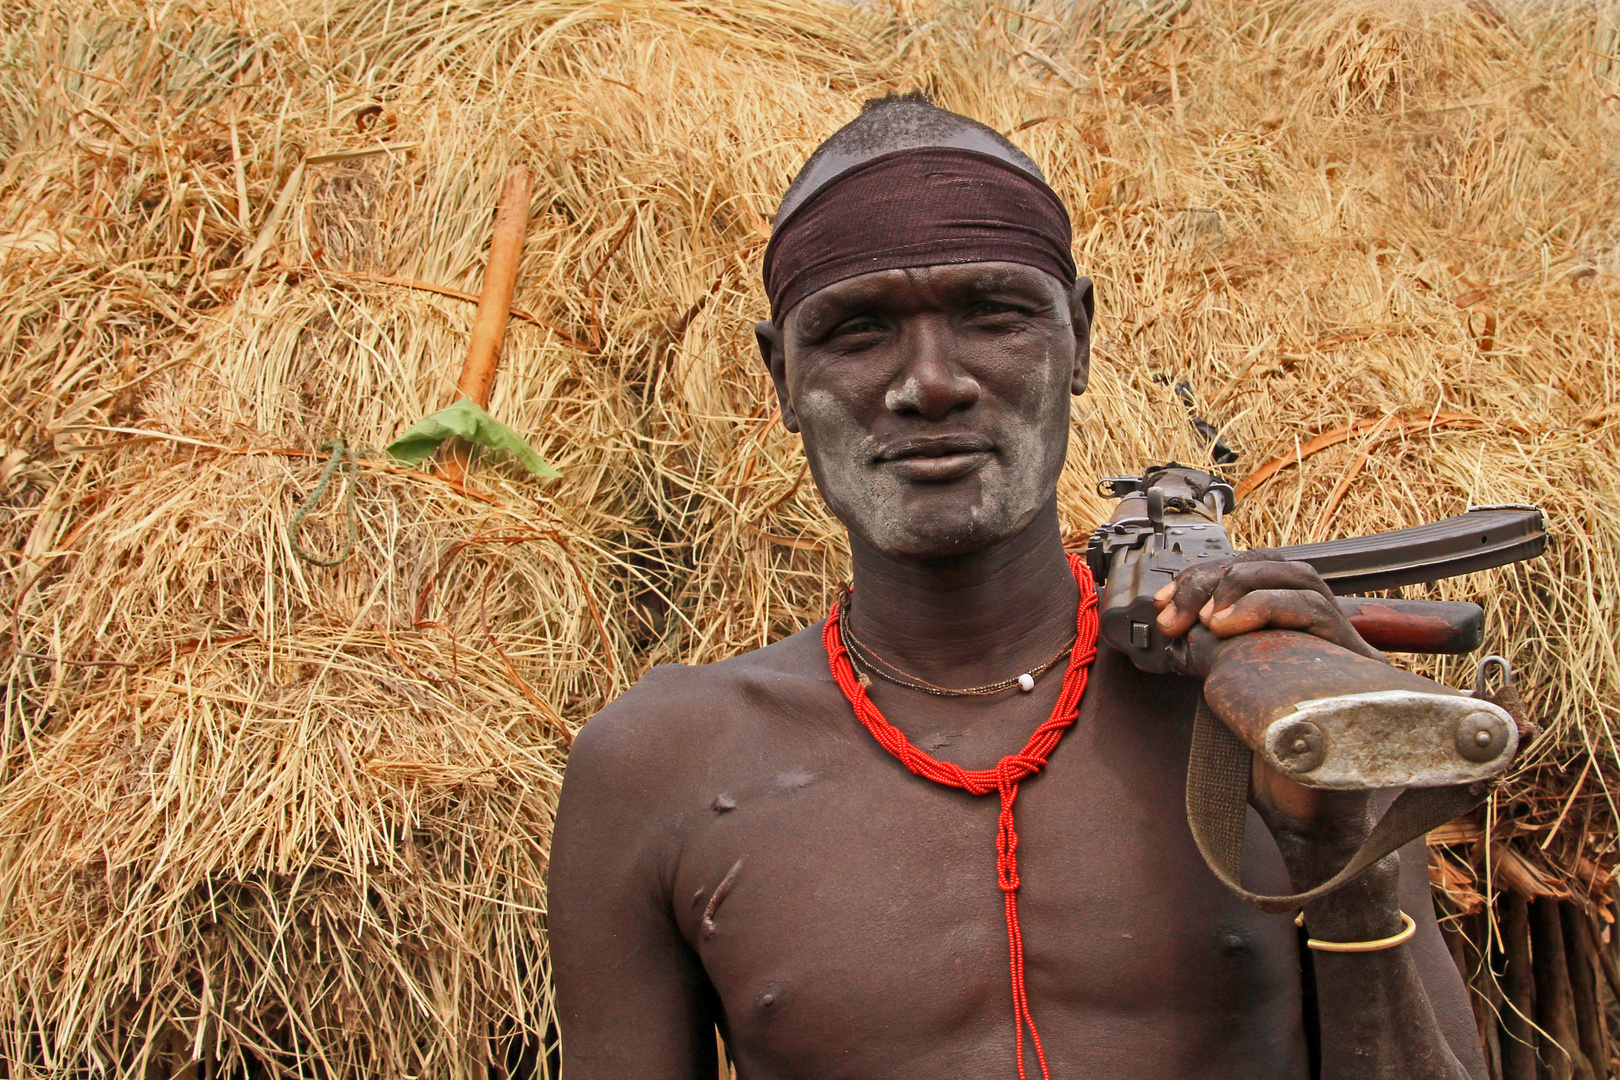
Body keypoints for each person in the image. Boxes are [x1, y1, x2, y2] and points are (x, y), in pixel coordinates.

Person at [547, 93, 1486, 1080]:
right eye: (857, 331)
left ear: (1076, 335)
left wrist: (1344, 856)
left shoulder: (1262, 707)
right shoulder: (661, 767)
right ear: (781, 373)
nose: (931, 382)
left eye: (991, 313)